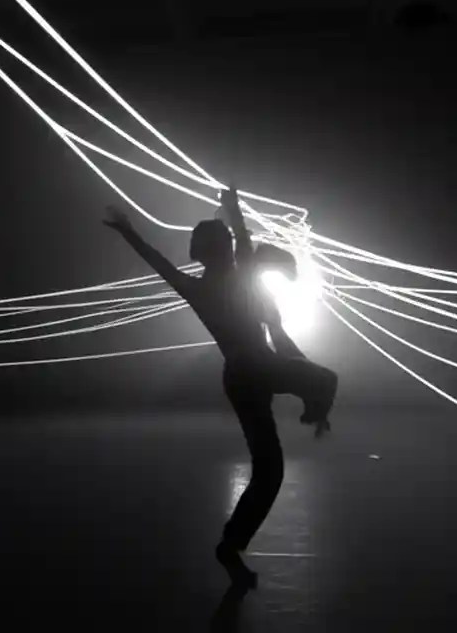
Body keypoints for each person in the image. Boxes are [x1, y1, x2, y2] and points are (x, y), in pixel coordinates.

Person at [102, 186, 337, 589]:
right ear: (220, 250)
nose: (232, 246)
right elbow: (235, 241)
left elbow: (160, 262)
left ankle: (230, 548)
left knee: (270, 471)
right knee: (321, 385)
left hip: (239, 376)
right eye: (226, 243)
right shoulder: (237, 272)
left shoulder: (201, 288)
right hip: (257, 367)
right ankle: (312, 409)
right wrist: (232, 209)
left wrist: (128, 231)